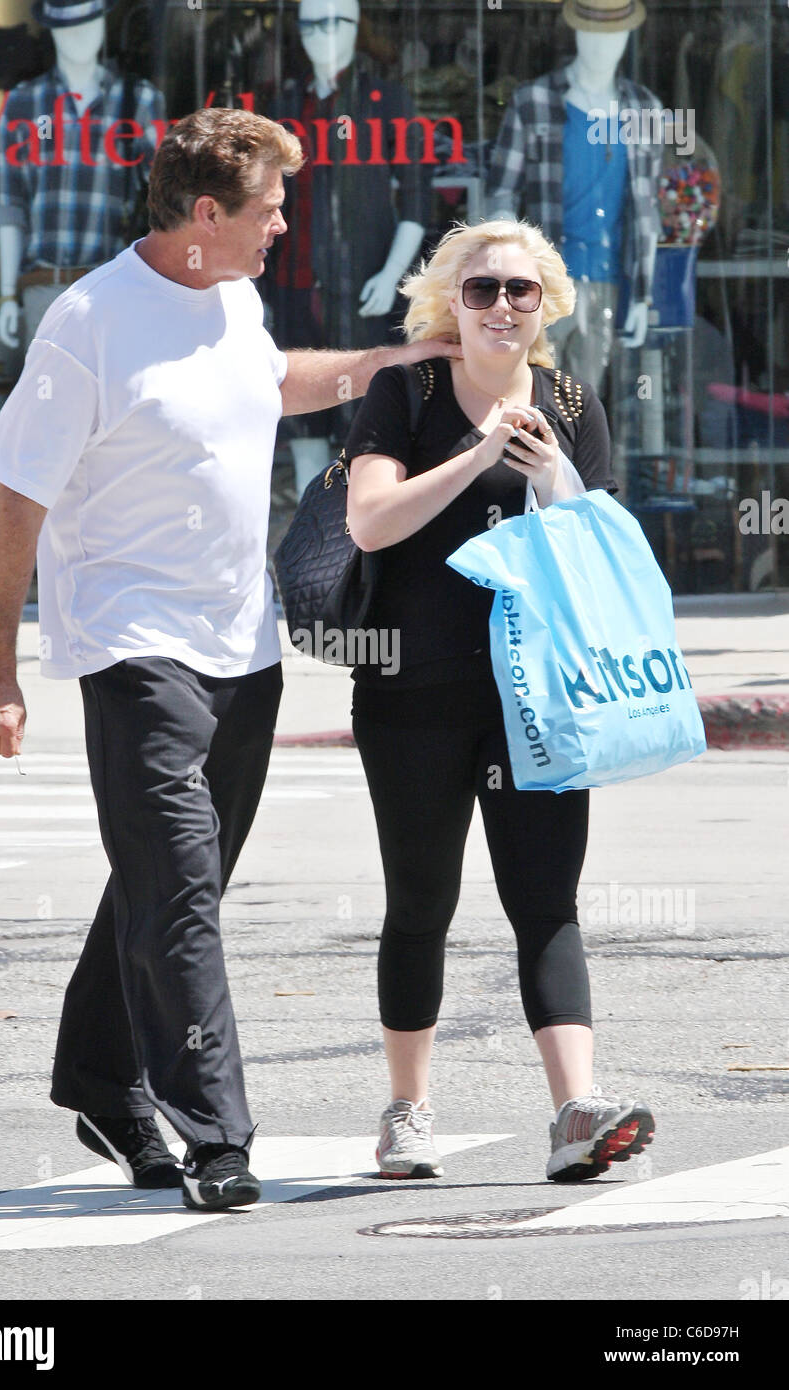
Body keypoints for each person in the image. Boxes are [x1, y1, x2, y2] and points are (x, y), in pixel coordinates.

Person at [0, 107, 459, 1211]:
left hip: (243, 643)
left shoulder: (232, 296)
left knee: (171, 880)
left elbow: (270, 383)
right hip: (133, 646)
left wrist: (388, 364)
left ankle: (100, 1079)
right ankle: (217, 1138)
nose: (284, 223)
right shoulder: (88, 324)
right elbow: (17, 502)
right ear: (204, 215)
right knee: (180, 890)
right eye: (270, 207)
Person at [343, 217, 655, 1182]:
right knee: (420, 902)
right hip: (413, 692)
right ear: (452, 302)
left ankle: (574, 1112)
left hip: (543, 698)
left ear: (546, 303)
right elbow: (369, 522)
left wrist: (554, 474)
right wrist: (477, 455)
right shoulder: (407, 393)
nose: (502, 306)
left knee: (547, 901)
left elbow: (601, 552)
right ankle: (407, 1113)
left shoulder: (572, 400)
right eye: (481, 290)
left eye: (521, 290)